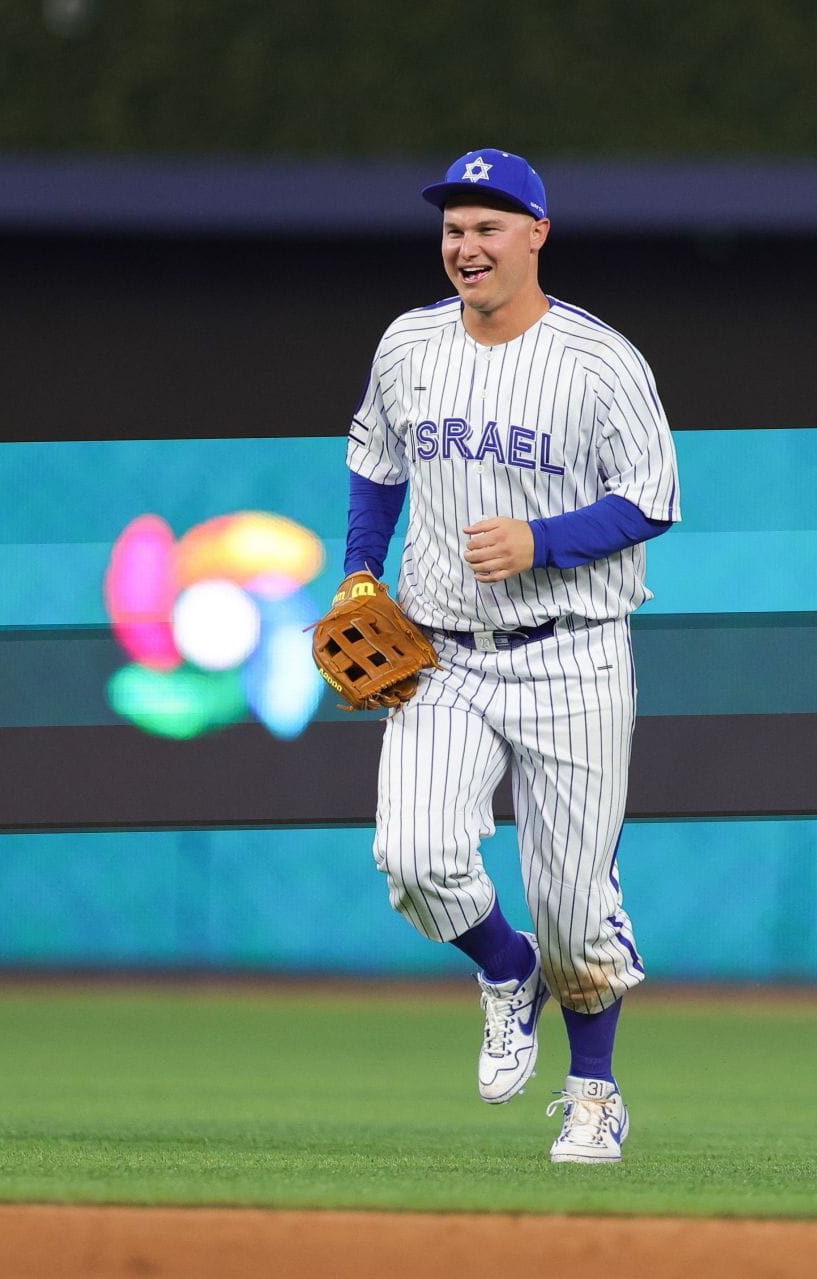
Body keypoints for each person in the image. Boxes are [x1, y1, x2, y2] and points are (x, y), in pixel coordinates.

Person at [342, 148, 681, 1164]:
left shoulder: (598, 359)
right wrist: (362, 571)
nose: (466, 244)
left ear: (536, 234)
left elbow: (654, 497)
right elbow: (374, 461)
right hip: (442, 653)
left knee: (579, 910)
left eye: (489, 226)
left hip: (571, 653)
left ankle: (593, 1093)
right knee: (415, 858)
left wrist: (544, 541)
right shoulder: (408, 345)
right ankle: (504, 965)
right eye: (454, 227)